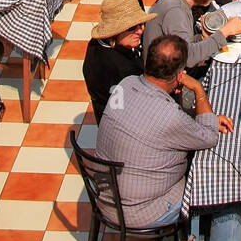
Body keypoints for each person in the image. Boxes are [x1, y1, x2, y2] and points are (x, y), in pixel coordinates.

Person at [96, 35, 233, 230]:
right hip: (142, 211)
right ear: (179, 75)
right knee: (217, 188)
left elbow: (149, 119)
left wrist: (201, 120)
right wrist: (198, 89)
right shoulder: (170, 116)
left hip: (106, 199)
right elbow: (209, 137)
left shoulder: (125, 84)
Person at [82, 0, 156, 124]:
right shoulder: (123, 69)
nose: (140, 30)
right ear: (115, 31)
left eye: (142, 24)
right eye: (133, 27)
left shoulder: (95, 44)